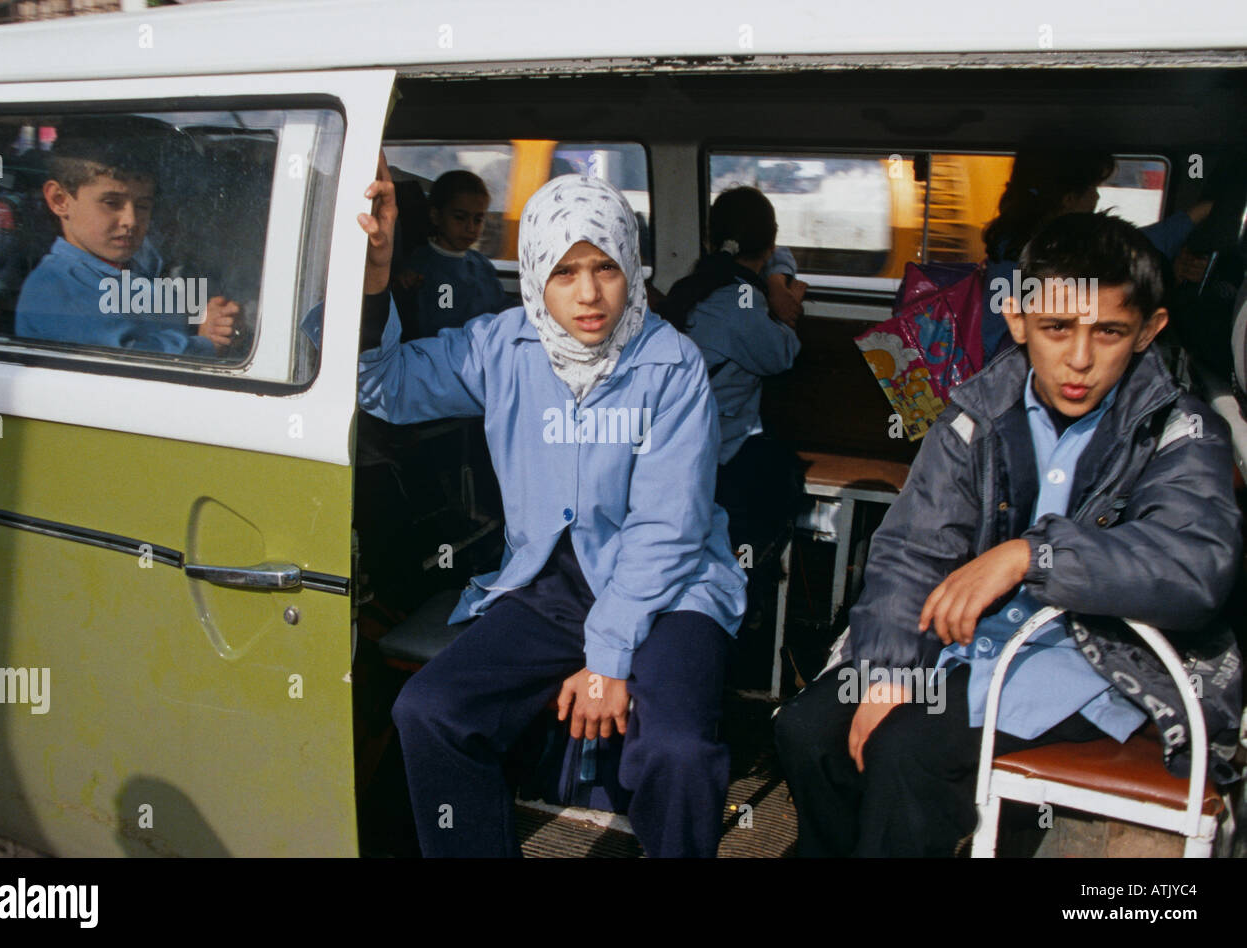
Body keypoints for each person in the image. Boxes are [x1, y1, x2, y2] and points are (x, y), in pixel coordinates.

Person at [774, 212, 1242, 857]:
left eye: (1109, 331)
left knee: (910, 750)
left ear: (1148, 332)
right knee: (806, 731)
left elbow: (1193, 571)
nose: (1080, 359)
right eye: (1056, 329)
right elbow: (913, 549)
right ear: (1018, 320)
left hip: (1103, 658)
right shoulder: (976, 414)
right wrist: (888, 672)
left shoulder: (1180, 431)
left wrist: (1032, 555)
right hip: (972, 641)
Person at [355, 164, 748, 858]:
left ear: (632, 265)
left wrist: (607, 656)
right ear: (535, 274)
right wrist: (376, 273)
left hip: (672, 588)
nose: (589, 295)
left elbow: (668, 529)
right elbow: (385, 388)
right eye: (564, 273)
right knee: (431, 711)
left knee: (677, 751)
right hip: (551, 581)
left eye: (605, 267)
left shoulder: (671, 363)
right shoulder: (501, 345)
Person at [15, 121, 239, 355]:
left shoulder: (135, 268)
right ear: (60, 200)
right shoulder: (54, 287)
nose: (130, 220)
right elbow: (130, 361)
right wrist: (204, 343)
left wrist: (213, 320)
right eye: (111, 203)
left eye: (142, 206)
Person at [661, 186, 802, 555]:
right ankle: (748, 576)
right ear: (768, 244)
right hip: (716, 452)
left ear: (709, 239)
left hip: (672, 441)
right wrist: (787, 308)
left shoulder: (692, 286)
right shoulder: (738, 302)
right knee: (782, 478)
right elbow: (780, 356)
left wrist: (772, 280)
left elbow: (777, 254)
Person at [980, 147, 1213, 360]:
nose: (1097, 197)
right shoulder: (1057, 249)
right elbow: (1127, 246)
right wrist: (1198, 214)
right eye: (1093, 188)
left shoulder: (1007, 241)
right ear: (1068, 199)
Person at [391, 169, 507, 338]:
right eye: (460, 217)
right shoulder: (427, 270)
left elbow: (501, 304)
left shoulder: (481, 264)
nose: (471, 228)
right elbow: (444, 324)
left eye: (478, 219)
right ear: (436, 216)